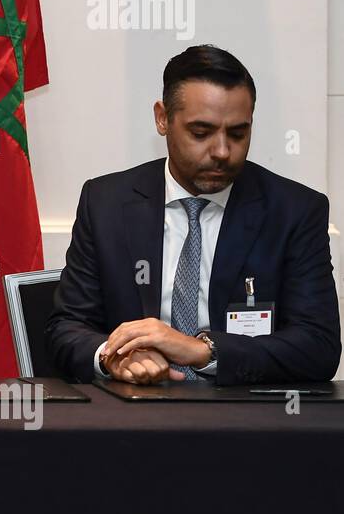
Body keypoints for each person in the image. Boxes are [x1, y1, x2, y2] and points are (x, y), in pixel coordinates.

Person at [46, 45, 341, 385]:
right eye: (201, 133)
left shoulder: (294, 211)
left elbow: (318, 347)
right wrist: (113, 355)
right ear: (162, 118)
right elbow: (64, 329)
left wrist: (203, 351)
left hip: (244, 421)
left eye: (238, 133)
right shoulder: (105, 203)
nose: (222, 151)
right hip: (133, 417)